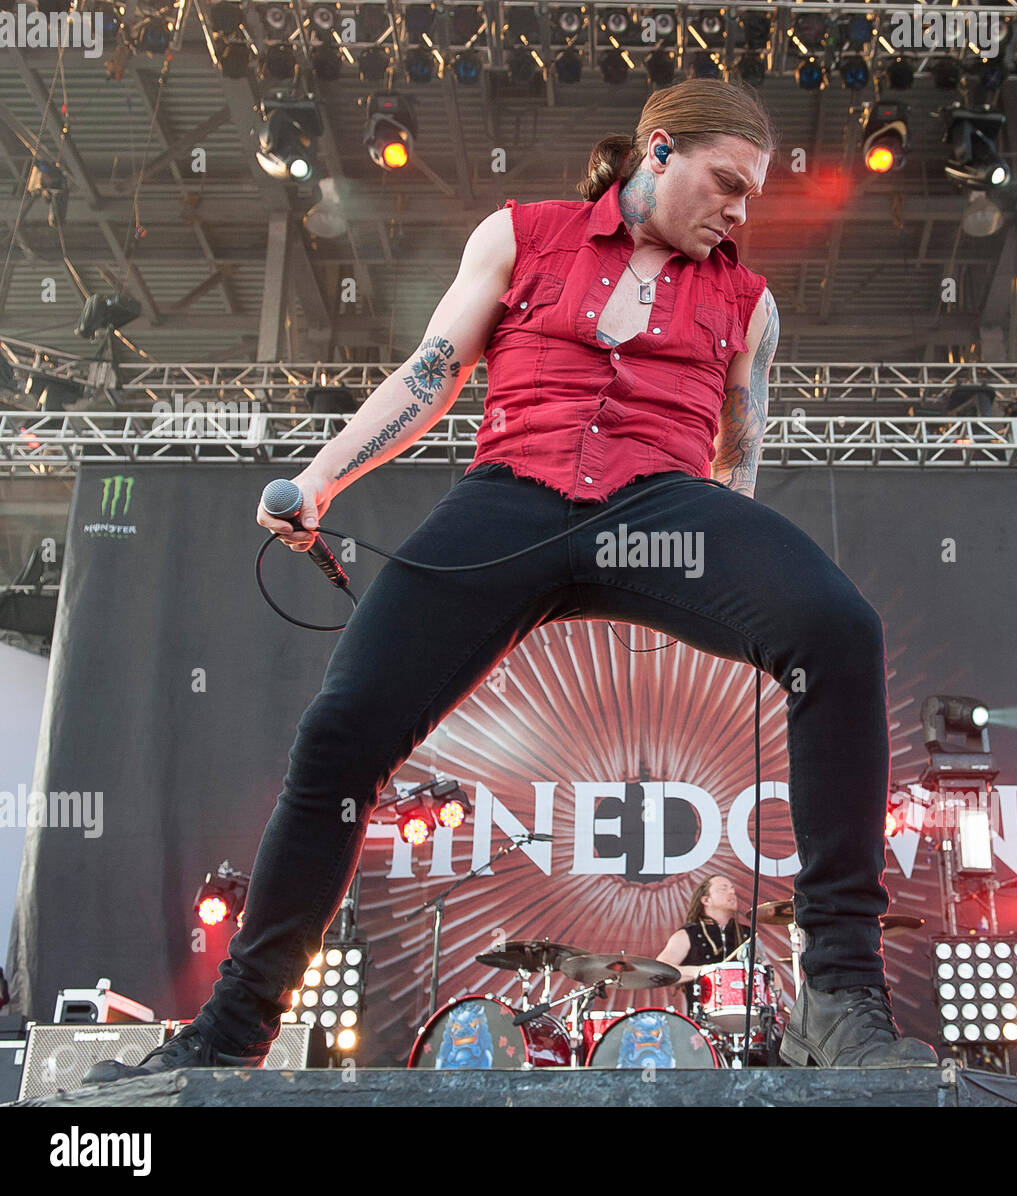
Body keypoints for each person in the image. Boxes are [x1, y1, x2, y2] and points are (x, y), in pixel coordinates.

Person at [84, 77, 935, 1082]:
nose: (742, 212)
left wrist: (733, 579)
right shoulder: (522, 235)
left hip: (658, 509)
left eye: (751, 194)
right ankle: (230, 1031)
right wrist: (319, 481)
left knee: (837, 628)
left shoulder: (748, 301)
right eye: (727, 183)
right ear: (656, 153)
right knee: (340, 734)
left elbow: (736, 451)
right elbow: (428, 373)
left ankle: (838, 1001)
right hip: (511, 498)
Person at [655, 874, 751, 987]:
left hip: (744, 1004)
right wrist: (705, 971)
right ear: (706, 900)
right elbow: (661, 969)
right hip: (702, 1003)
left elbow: (766, 972)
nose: (732, 893)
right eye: (723, 889)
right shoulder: (688, 934)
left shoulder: (747, 934)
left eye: (732, 889)